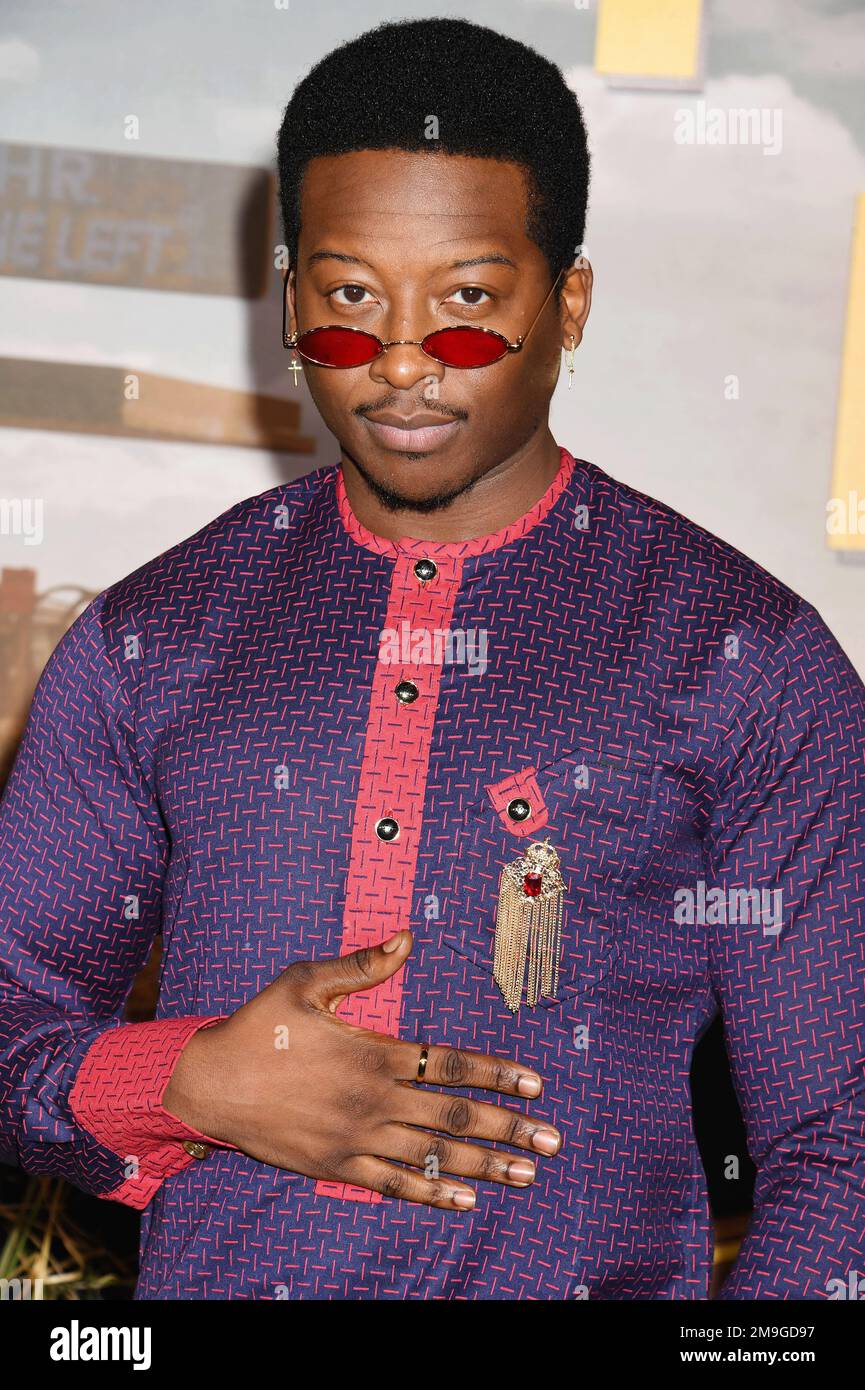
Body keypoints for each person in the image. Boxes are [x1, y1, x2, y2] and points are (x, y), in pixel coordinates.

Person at [1, 16, 863, 1302]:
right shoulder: (153, 638)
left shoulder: (743, 655)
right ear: (288, 296)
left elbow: (839, 1145)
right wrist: (188, 1084)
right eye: (349, 302)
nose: (400, 361)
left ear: (566, 300)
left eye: (467, 306)